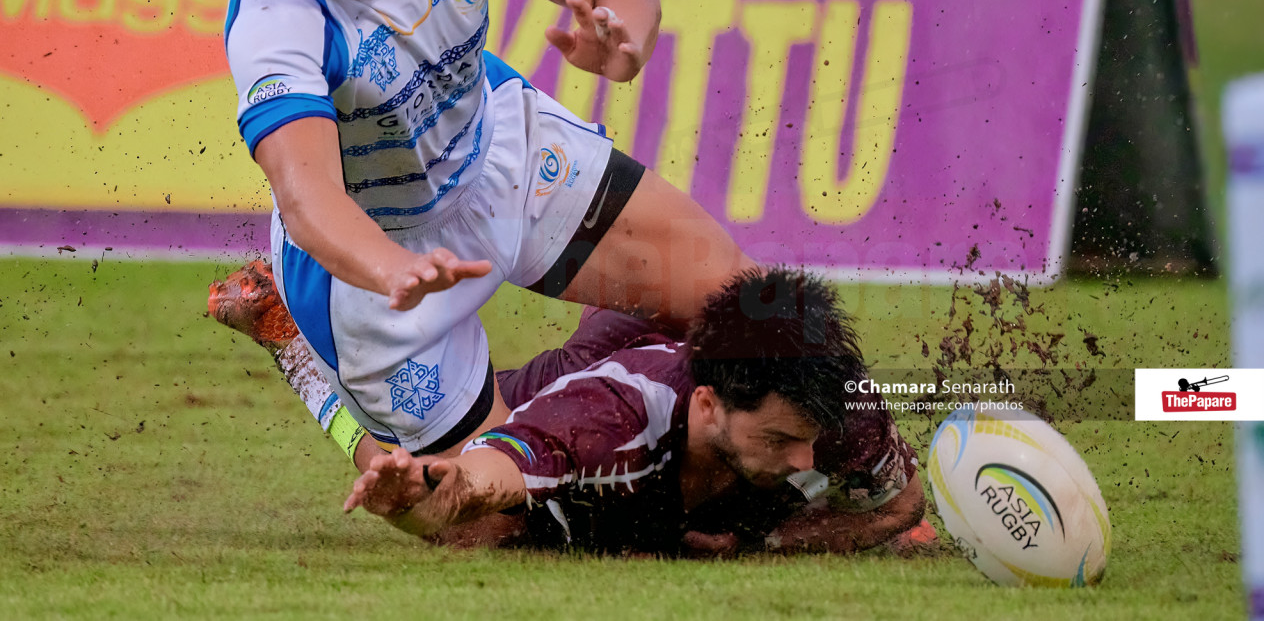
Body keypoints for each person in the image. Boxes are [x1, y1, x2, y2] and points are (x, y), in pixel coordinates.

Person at [224, 0, 752, 459]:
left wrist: (626, 39)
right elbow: (308, 200)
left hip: (501, 153)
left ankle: (867, 491)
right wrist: (390, 271)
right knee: (490, 519)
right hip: (372, 251)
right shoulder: (273, 19)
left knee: (748, 310)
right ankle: (303, 357)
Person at [210, 262, 931, 556]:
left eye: (810, 443)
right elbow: (493, 477)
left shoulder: (844, 409)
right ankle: (290, 340)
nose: (807, 460)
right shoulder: (608, 413)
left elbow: (898, 510)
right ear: (710, 405)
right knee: (460, 517)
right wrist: (448, 484)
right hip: (595, 379)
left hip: (665, 346)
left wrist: (766, 547)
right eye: (782, 440)